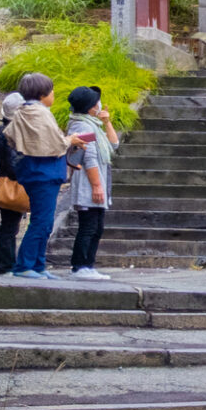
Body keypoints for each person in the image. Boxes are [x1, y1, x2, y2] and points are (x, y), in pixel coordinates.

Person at [5, 73, 91, 280]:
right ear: (43, 94)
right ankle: (24, 265)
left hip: (33, 171)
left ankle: (38, 265)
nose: (53, 95)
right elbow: (55, 143)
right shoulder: (40, 113)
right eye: (52, 91)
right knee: (41, 222)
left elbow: (12, 136)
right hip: (44, 172)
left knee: (44, 222)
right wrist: (70, 139)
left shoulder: (24, 111)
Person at [65, 86, 117, 279]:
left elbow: (113, 145)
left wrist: (107, 122)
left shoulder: (92, 124)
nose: (99, 104)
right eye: (96, 102)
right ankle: (80, 266)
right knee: (89, 226)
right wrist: (97, 186)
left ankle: (88, 265)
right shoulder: (82, 126)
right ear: (89, 107)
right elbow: (90, 158)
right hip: (89, 184)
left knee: (97, 226)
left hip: (97, 182)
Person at [0, 92, 26, 275]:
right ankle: (5, 265)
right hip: (12, 184)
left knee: (8, 226)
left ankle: (5, 263)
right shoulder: (10, 133)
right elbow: (13, 165)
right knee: (9, 227)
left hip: (2, 183)